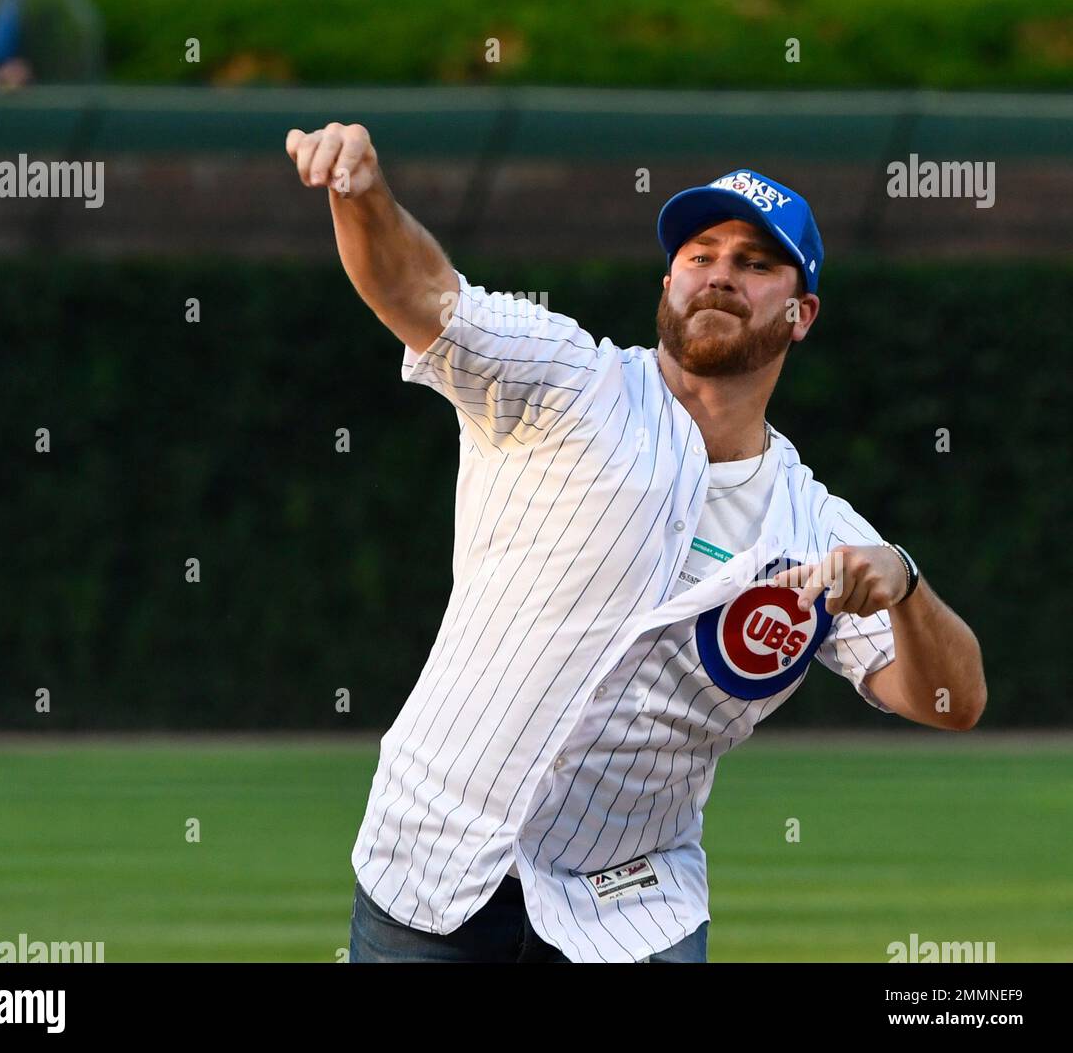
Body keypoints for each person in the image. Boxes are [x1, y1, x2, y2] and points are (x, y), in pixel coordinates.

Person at [284, 123, 987, 964]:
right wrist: (363, 196)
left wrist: (907, 587)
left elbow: (952, 703)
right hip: (433, 858)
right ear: (668, 280)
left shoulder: (816, 528)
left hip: (628, 906)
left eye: (757, 263)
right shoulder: (565, 380)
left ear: (801, 315)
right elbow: (421, 294)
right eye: (702, 254)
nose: (722, 273)